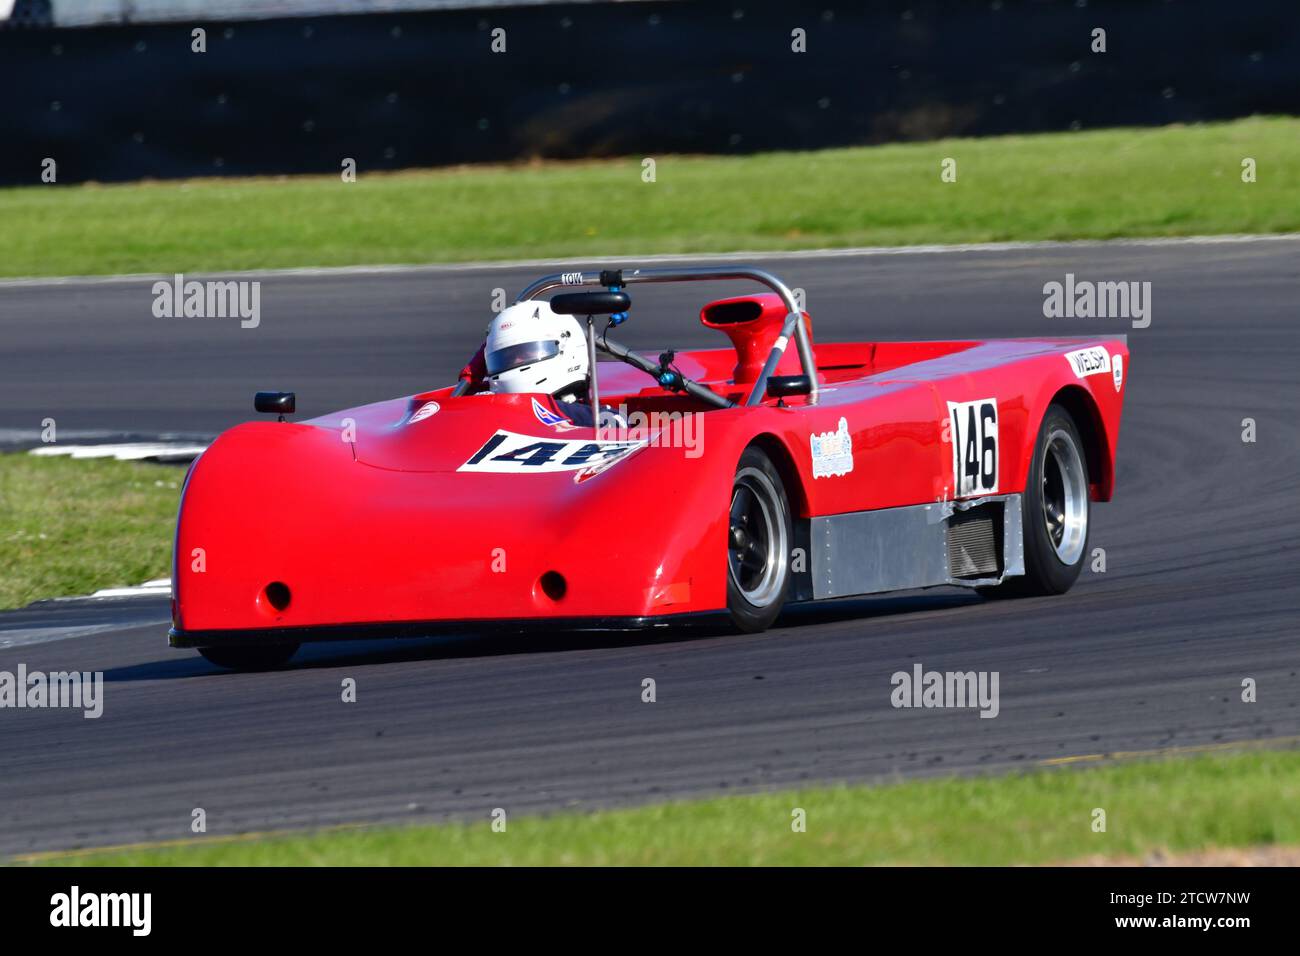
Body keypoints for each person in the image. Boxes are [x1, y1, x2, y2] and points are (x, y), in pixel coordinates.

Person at [459, 300, 623, 428]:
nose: (515, 362)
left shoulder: (601, 419)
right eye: (506, 357)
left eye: (525, 353)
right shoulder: (482, 406)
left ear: (566, 347)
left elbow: (620, 427)